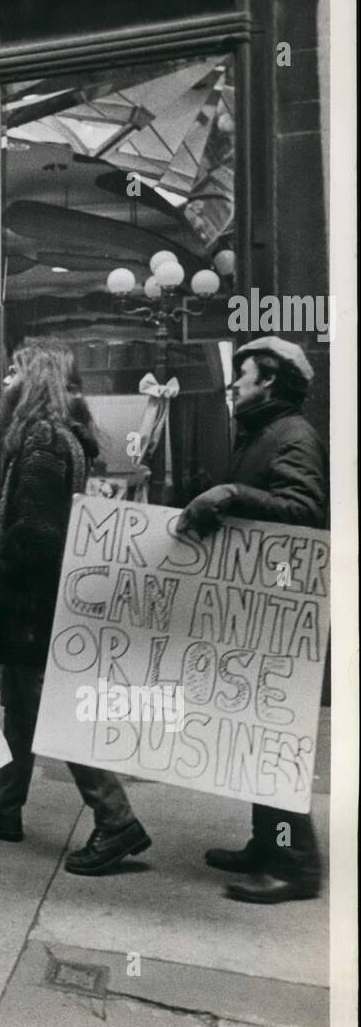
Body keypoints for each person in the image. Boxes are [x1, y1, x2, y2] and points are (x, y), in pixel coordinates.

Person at [0, 338, 152, 875]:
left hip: (33, 605)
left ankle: (116, 821)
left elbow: (34, 533)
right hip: (51, 600)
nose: (7, 379)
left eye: (15, 370)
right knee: (20, 703)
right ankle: (5, 804)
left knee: (46, 707)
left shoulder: (40, 438)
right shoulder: (66, 435)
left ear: (35, 378)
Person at [179, 336, 328, 904]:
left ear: (268, 380)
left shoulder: (290, 436)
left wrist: (231, 491)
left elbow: (304, 511)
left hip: (282, 613)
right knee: (256, 731)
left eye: (242, 375)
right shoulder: (267, 433)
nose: (234, 384)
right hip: (260, 609)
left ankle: (295, 865)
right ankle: (268, 843)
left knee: (273, 737)